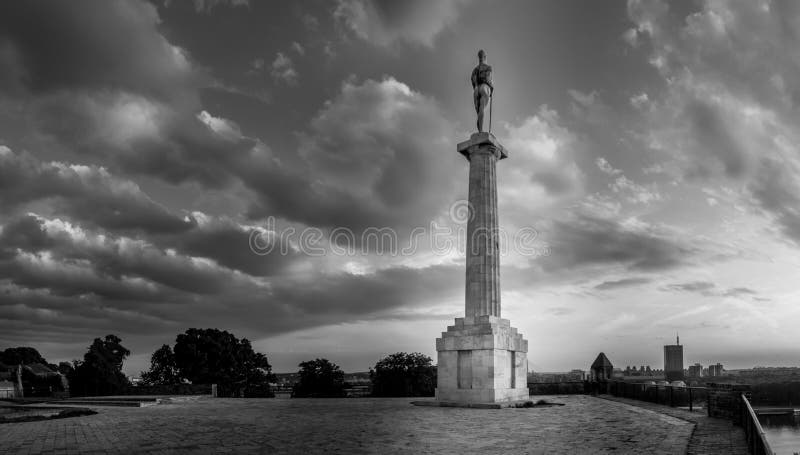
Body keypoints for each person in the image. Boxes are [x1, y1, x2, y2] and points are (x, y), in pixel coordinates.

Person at [471, 49, 494, 132]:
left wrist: (476, 86)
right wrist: (492, 87)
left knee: (479, 111)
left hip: (477, 89)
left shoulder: (475, 69)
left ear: (479, 57)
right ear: (485, 57)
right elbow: (488, 78)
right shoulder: (488, 67)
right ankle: (481, 131)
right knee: (482, 109)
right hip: (484, 87)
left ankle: (480, 129)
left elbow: (473, 79)